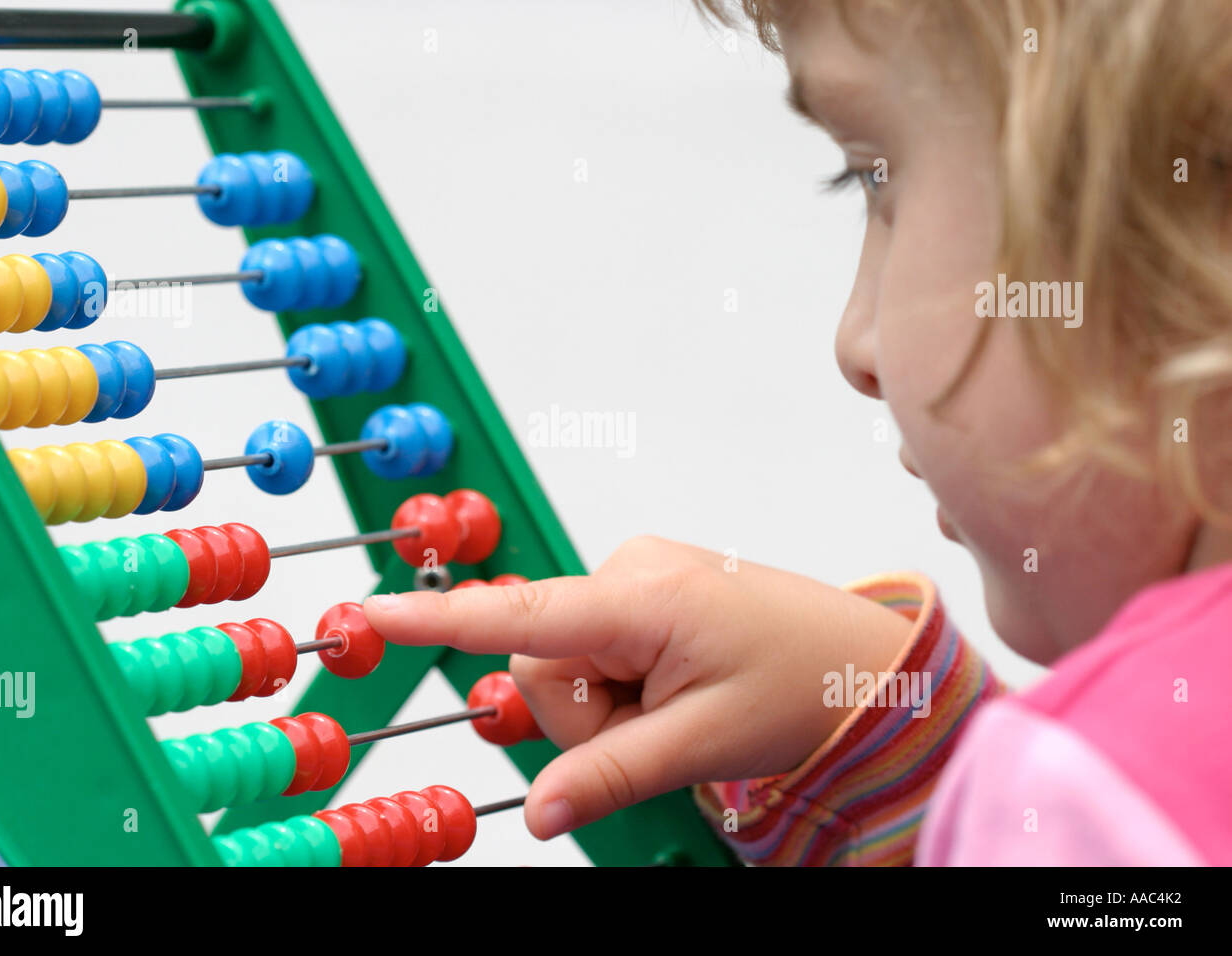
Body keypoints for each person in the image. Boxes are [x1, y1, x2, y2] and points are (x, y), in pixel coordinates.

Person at [362, 0, 1232, 865]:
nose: (855, 343)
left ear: (1179, 236)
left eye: (875, 177)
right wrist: (905, 747)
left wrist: (1031, 786)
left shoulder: (1089, 795)